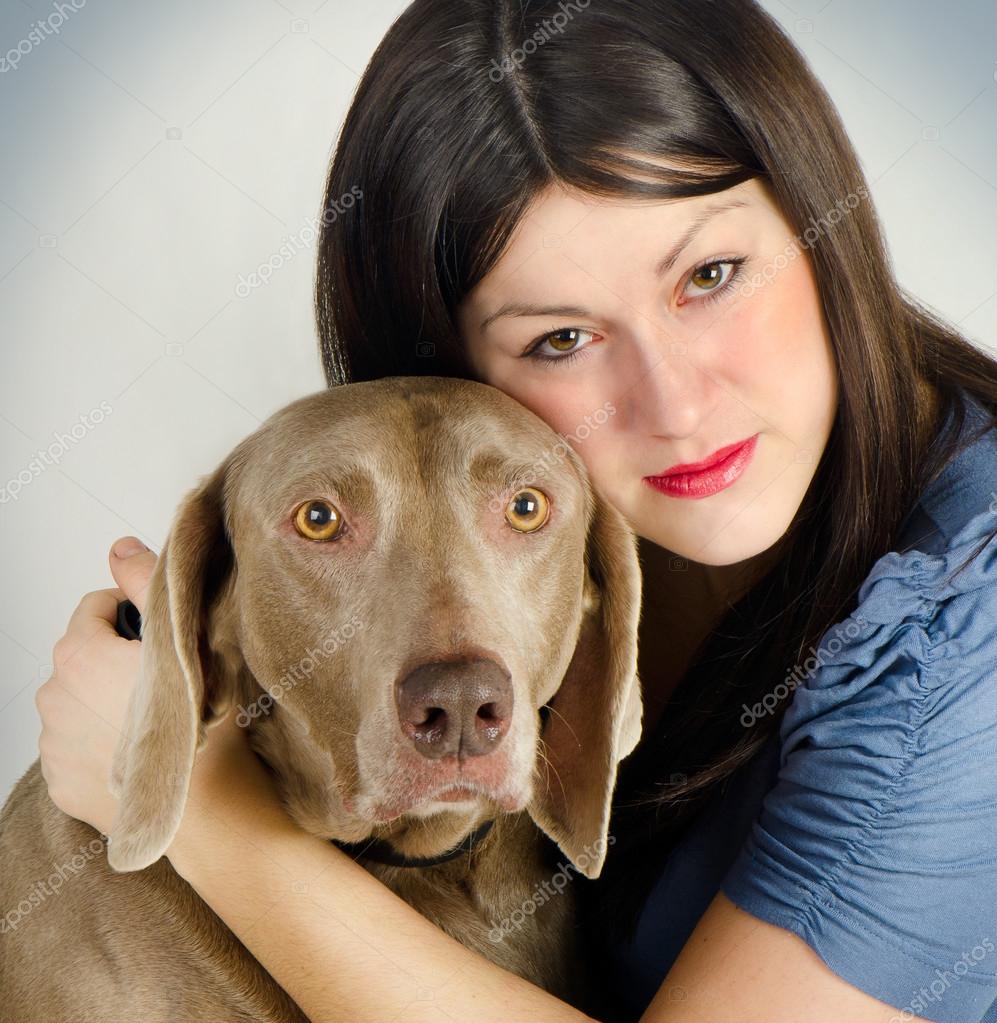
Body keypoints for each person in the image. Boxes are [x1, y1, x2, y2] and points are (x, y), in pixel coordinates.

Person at [34, 1, 997, 1020]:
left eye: (710, 276)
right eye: (560, 339)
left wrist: (201, 818)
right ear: (452, 376)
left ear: (823, 224)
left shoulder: (963, 638)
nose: (675, 408)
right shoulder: (575, 540)